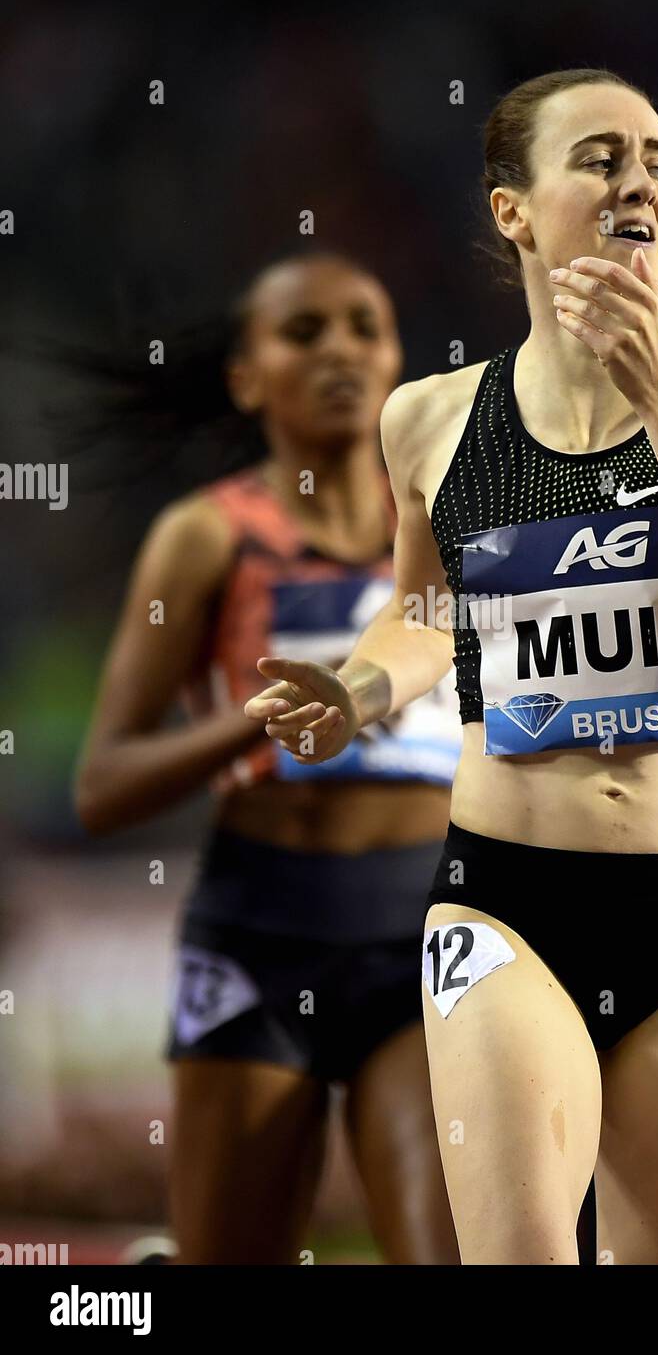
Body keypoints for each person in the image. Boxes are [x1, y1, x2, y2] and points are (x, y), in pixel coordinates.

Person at [245, 68, 658, 1265]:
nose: (638, 183)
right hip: (509, 898)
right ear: (513, 210)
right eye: (601, 157)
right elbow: (424, 613)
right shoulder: (431, 419)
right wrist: (351, 692)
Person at [74, 253, 461, 1264]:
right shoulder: (206, 539)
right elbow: (103, 785)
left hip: (422, 932)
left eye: (362, 326)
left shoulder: (453, 528)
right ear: (247, 378)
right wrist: (261, 717)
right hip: (259, 934)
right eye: (303, 332)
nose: (339, 348)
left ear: (395, 359)